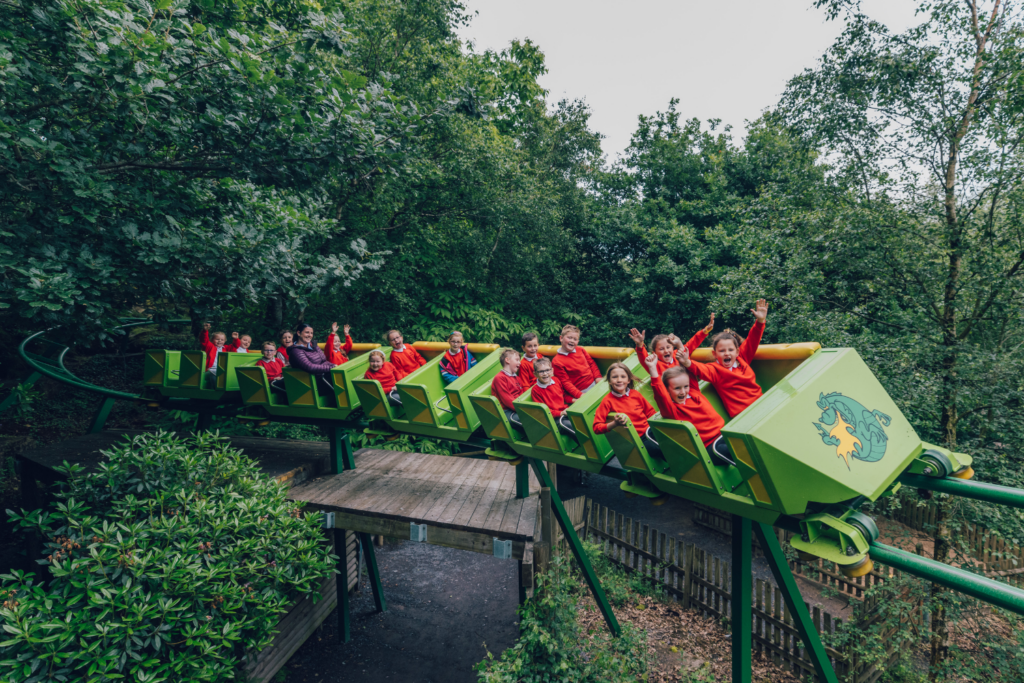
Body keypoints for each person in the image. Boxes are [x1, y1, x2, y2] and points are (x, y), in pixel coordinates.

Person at [678, 299, 769, 418]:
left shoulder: (742, 357)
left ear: (737, 352)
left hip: (762, 405)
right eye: (722, 351)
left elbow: (753, 339)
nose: (727, 353)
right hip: (743, 415)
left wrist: (760, 321)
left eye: (730, 350)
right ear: (715, 354)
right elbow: (700, 369)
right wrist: (686, 362)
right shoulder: (715, 370)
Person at [644, 353, 735, 466]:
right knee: (729, 450)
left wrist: (683, 357)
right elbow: (660, 395)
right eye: (677, 388)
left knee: (742, 443)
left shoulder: (694, 392)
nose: (683, 392)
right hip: (709, 448)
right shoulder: (671, 410)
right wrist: (652, 368)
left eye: (685, 386)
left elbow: (690, 370)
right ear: (667, 390)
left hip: (723, 434)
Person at [591, 362, 660, 458]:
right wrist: (615, 424)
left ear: (628, 380)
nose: (619, 380)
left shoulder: (635, 394)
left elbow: (651, 413)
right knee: (656, 449)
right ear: (609, 381)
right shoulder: (607, 401)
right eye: (615, 377)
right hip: (637, 439)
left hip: (650, 431)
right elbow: (596, 428)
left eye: (623, 377)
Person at [629, 313, 715, 375]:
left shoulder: (677, 354)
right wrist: (640, 344)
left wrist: (705, 331)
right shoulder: (656, 365)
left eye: (668, 347)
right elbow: (644, 359)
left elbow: (692, 343)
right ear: (654, 353)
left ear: (673, 347)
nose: (666, 351)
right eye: (661, 349)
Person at [288, 323, 342, 405]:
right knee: (338, 380)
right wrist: (330, 368)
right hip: (311, 383)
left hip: (322, 378)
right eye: (307, 332)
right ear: (298, 333)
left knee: (339, 375)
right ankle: (339, 407)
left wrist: (335, 366)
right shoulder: (295, 351)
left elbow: (324, 361)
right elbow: (310, 367)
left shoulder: (314, 346)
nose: (309, 335)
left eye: (311, 333)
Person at [531, 356, 581, 439]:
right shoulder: (536, 390)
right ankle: (588, 449)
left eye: (547, 370)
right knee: (570, 426)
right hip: (554, 419)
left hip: (565, 411)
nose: (545, 373)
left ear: (552, 370)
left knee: (581, 420)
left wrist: (574, 400)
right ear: (535, 374)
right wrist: (560, 413)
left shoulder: (556, 380)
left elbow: (563, 396)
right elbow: (542, 411)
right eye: (541, 371)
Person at [551, 325, 600, 394]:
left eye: (575, 339)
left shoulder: (580, 350)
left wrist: (598, 377)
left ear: (578, 341)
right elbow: (565, 382)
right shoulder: (557, 361)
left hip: (595, 382)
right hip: (581, 391)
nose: (572, 341)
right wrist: (579, 395)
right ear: (561, 338)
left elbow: (591, 363)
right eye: (569, 338)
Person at [491, 348, 525, 429]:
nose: (519, 363)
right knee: (527, 421)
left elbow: (522, 395)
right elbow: (507, 400)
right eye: (517, 360)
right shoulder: (500, 378)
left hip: (517, 409)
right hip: (506, 411)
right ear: (507, 360)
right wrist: (522, 410)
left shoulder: (517, 378)